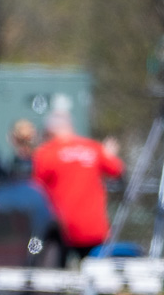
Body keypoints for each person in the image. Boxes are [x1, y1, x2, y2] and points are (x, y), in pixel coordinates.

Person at [32, 108, 122, 258]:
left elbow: (35, 187)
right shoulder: (93, 148)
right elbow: (116, 170)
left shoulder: (45, 153)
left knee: (56, 273)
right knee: (94, 273)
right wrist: (109, 154)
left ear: (50, 131)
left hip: (61, 228)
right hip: (93, 227)